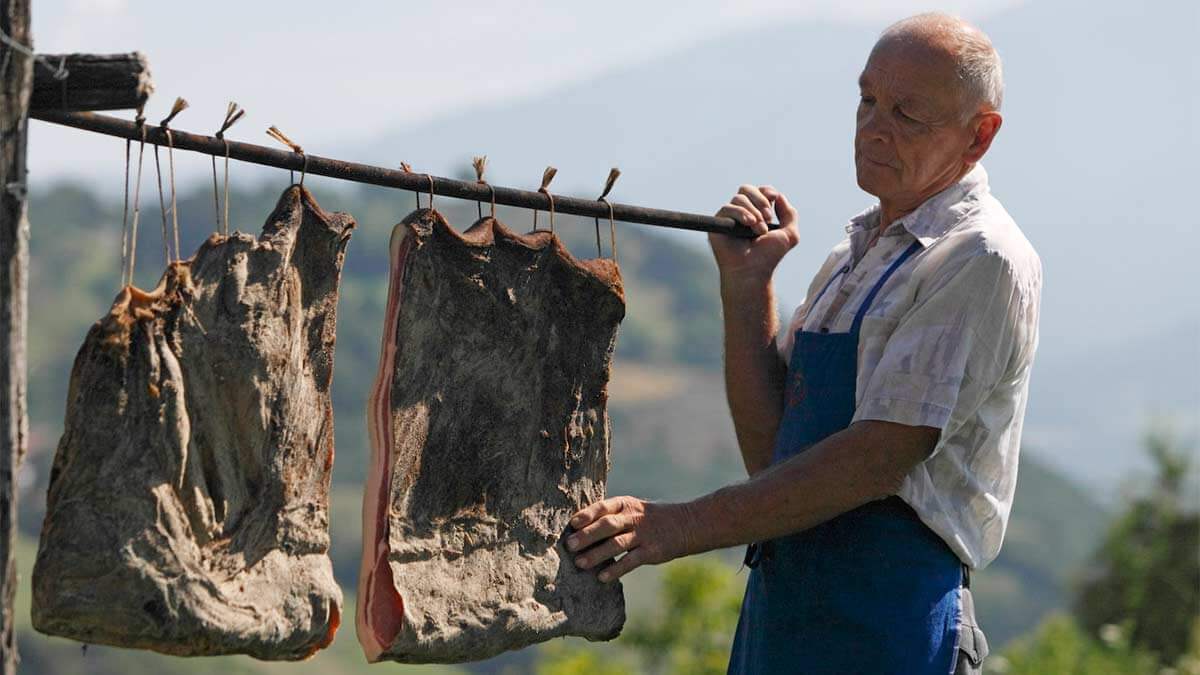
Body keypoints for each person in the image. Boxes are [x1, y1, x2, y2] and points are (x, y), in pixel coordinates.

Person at [564, 11, 1042, 674]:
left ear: (979, 134)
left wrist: (678, 524)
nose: (874, 125)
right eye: (867, 98)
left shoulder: (978, 257)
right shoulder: (853, 254)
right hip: (784, 613)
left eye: (908, 112)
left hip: (888, 624)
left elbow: (877, 458)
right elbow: (773, 454)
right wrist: (747, 287)